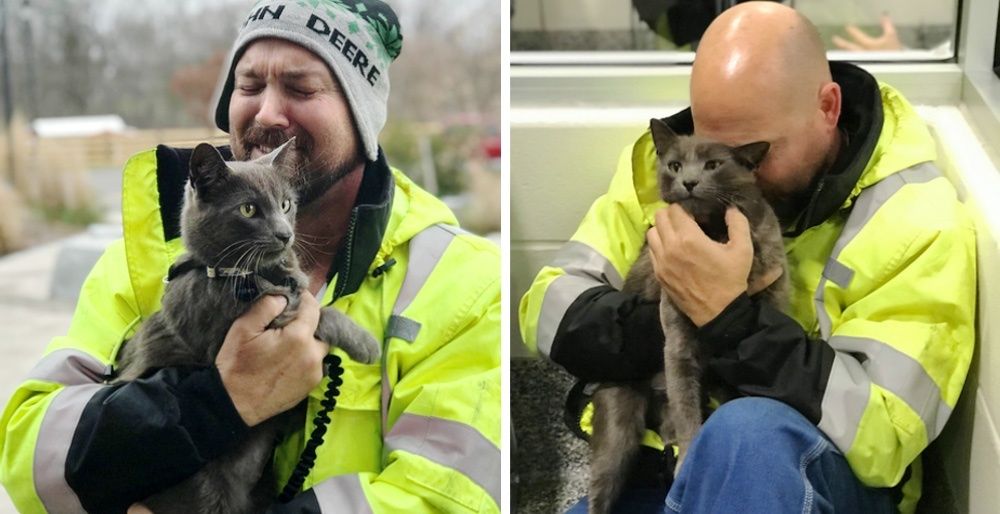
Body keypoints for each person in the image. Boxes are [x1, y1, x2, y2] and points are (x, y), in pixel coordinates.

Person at [0, 1, 500, 513]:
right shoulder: (146, 254)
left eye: (301, 88)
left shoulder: (464, 282)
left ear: (361, 116)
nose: (266, 112)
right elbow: (30, 455)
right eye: (249, 85)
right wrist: (211, 404)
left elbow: (447, 497)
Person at [519, 2, 975, 513]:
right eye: (710, 143)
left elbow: (885, 435)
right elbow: (550, 308)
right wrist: (676, 316)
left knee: (748, 431)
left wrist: (734, 320)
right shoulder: (672, 169)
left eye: (752, 154)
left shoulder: (916, 219)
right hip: (664, 453)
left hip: (805, 470)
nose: (724, 174)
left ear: (828, 108)